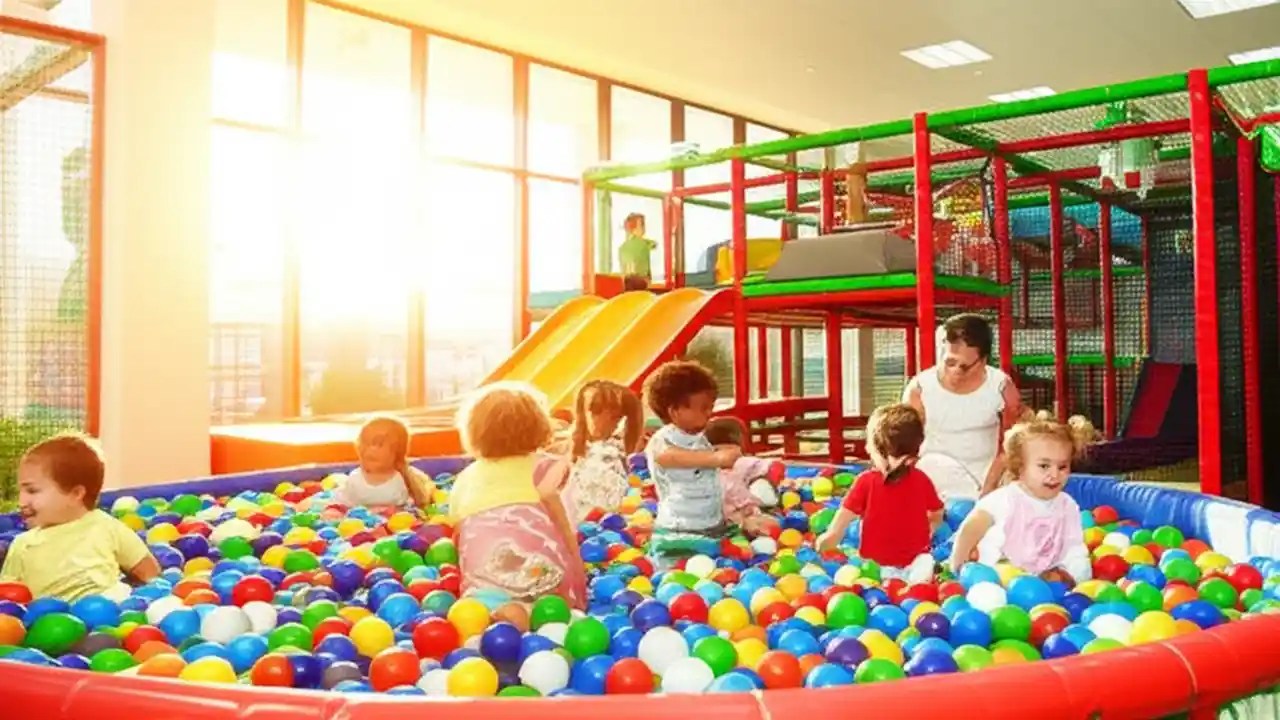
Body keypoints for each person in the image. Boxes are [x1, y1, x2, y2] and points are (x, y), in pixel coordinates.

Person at [448, 382, 587, 625]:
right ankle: (530, 610)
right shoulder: (549, 467)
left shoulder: (466, 478)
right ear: (539, 427)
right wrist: (578, 588)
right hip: (540, 576)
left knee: (479, 602)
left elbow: (458, 535)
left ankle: (493, 609)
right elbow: (568, 529)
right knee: (552, 601)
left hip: (485, 576)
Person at [0, 433, 160, 601]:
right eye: (21, 491)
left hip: (110, 609)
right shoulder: (22, 544)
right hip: (51, 621)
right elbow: (9, 598)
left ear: (76, 493)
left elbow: (149, 571)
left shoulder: (106, 526)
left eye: (32, 491)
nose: (22, 501)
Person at [948, 416, 1092, 585]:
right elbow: (973, 526)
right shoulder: (1006, 498)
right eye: (1044, 466)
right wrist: (958, 564)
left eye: (1062, 467)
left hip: (1043, 580)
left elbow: (1074, 546)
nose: (1054, 475)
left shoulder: (1067, 505)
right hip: (998, 574)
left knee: (1081, 567)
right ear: (1020, 467)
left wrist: (1071, 575)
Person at [815, 404, 943, 583]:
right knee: (924, 562)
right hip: (915, 562)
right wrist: (928, 531)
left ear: (880, 451)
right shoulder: (922, 479)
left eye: (869, 445)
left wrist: (820, 546)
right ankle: (916, 581)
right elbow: (937, 513)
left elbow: (836, 531)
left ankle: (901, 582)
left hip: (875, 567)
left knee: (864, 576)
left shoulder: (866, 482)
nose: (867, 449)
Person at [903, 313, 1021, 501]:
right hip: (932, 484)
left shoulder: (1001, 387)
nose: (955, 371)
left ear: (983, 361)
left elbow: (1011, 445)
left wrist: (988, 491)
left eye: (964, 366)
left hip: (988, 483)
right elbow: (905, 448)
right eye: (949, 362)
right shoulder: (920, 389)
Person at [641, 360, 740, 568]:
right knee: (675, 566)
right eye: (703, 408)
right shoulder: (663, 440)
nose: (709, 413)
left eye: (710, 407)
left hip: (710, 525)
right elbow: (668, 457)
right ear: (675, 412)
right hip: (678, 530)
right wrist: (714, 459)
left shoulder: (699, 438)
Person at [558, 380, 645, 525]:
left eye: (615, 416)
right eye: (595, 411)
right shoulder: (564, 453)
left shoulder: (626, 459)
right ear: (582, 413)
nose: (603, 421)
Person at [703, 416, 784, 538]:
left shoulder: (741, 463)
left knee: (771, 523)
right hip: (718, 517)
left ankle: (751, 529)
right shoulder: (705, 470)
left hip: (745, 511)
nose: (725, 455)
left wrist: (775, 474)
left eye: (730, 449)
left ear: (740, 450)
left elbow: (769, 466)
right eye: (717, 450)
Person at [334, 415, 435, 511]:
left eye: (379, 444)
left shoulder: (400, 481)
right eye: (365, 443)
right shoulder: (354, 479)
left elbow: (413, 509)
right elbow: (338, 505)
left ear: (397, 451)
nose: (369, 450)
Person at [618, 212, 658, 291]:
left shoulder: (622, 247)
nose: (644, 228)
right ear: (634, 228)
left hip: (626, 282)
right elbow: (654, 244)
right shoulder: (644, 244)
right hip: (642, 281)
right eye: (642, 225)